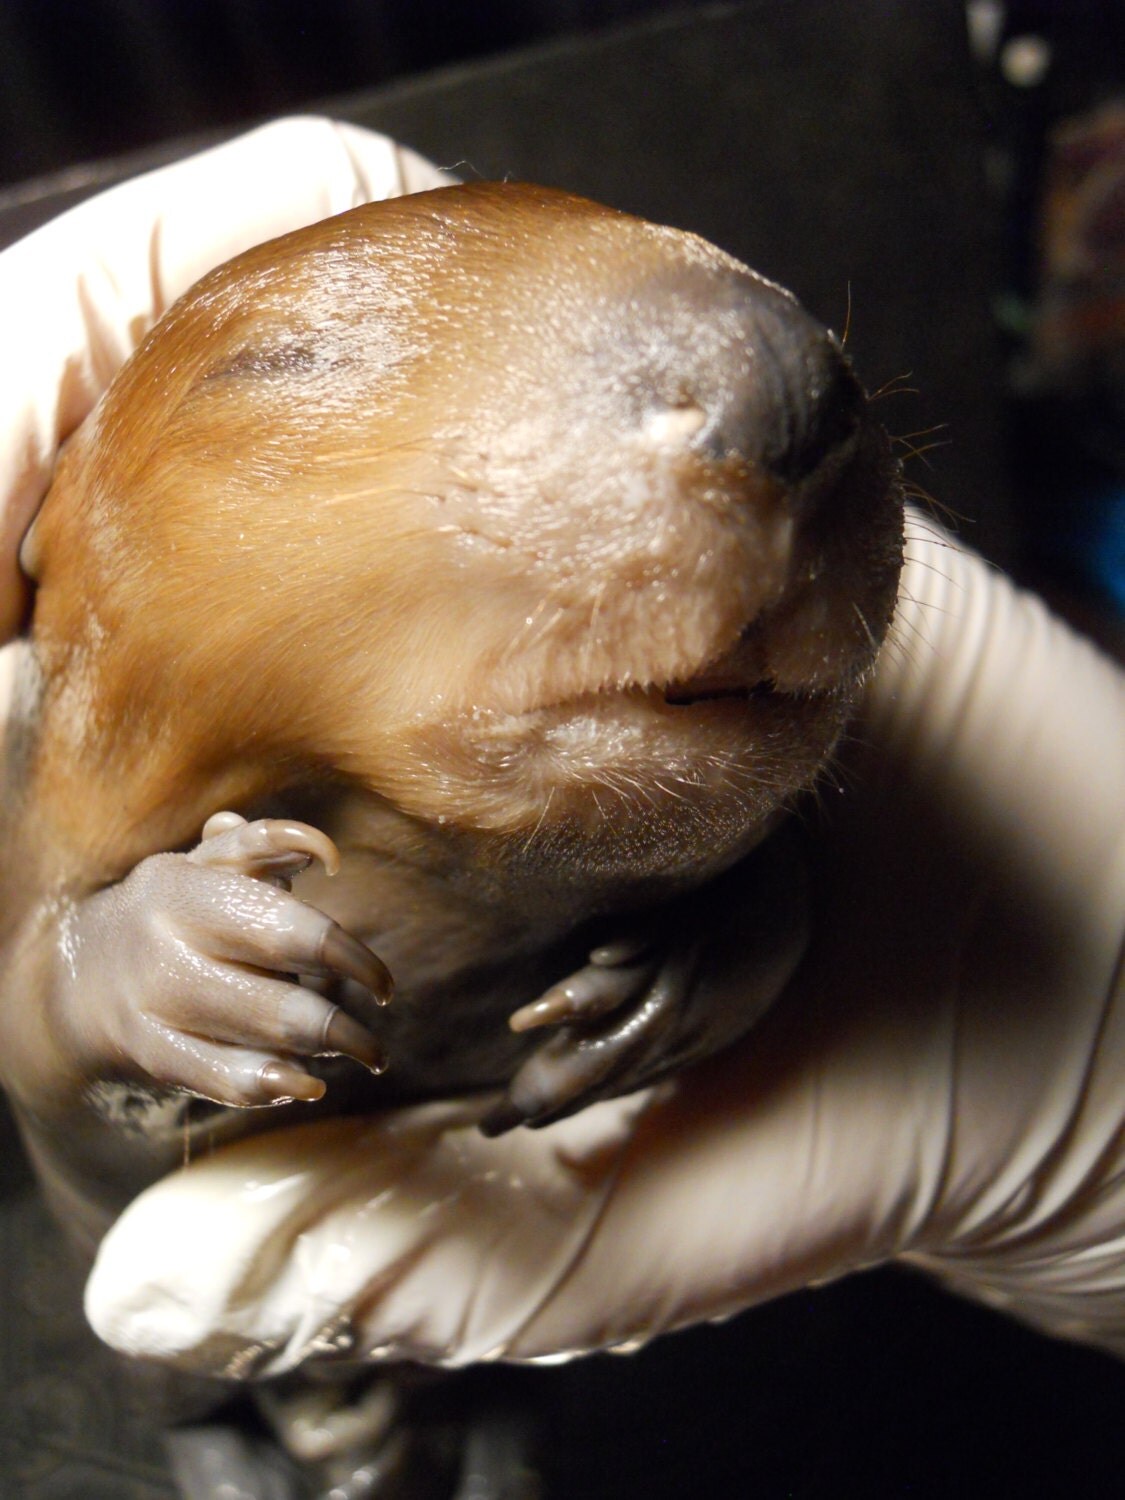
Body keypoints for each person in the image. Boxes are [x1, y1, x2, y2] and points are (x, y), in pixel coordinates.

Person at [6, 120, 1125, 1375]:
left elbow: (769, 886)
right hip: (181, 1230)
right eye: (292, 366)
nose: (788, 416)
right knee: (194, 1373)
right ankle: (239, 1416)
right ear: (53, 534)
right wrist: (97, 966)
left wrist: (742, 947)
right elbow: (49, 1051)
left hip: (516, 1205)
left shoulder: (659, 756)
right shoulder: (63, 748)